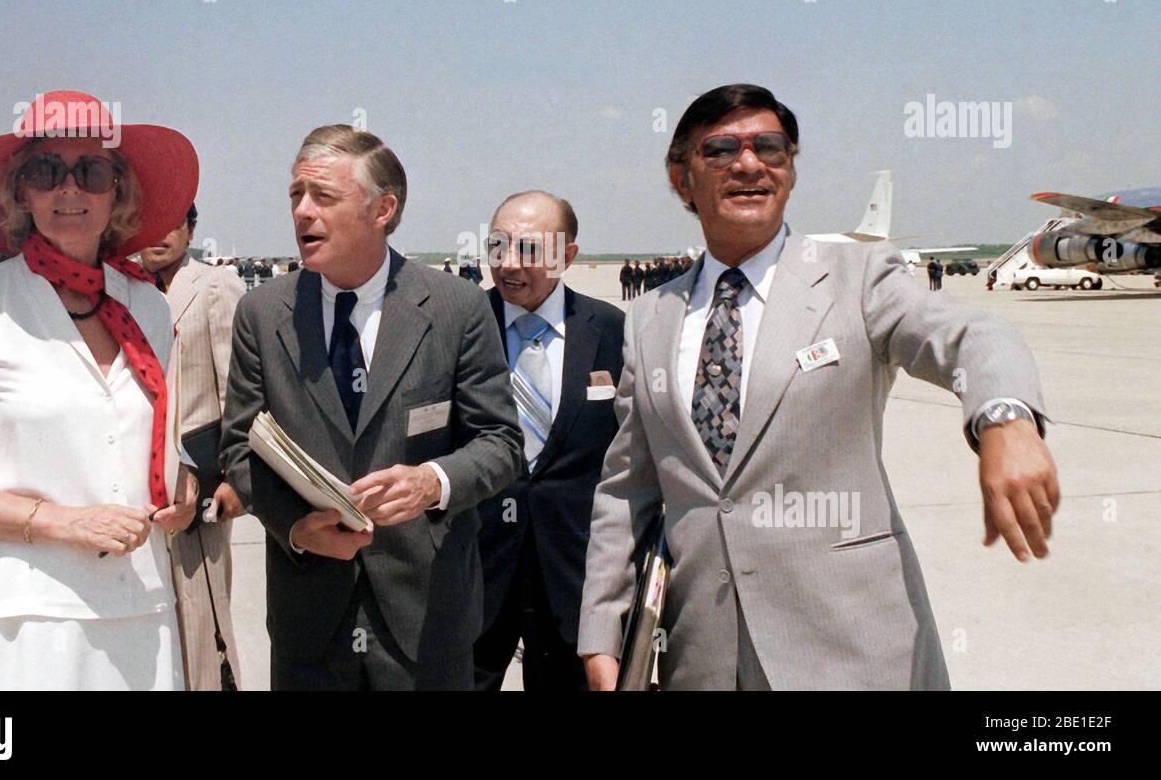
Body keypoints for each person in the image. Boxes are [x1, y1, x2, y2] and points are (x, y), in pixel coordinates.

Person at [579, 83, 1059, 691]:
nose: (749, 163)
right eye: (721, 149)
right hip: (699, 654)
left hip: (851, 647)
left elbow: (968, 333)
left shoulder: (858, 278)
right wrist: (601, 627)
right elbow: (627, 489)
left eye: (771, 148)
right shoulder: (650, 319)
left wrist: (1005, 418)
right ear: (681, 178)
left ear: (790, 170)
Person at [0, 90, 200, 689]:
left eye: (92, 171)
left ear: (118, 192)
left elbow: (155, 447)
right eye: (46, 171)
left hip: (139, 615)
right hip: (20, 628)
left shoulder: (148, 307)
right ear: (21, 192)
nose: (69, 189)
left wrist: (185, 486)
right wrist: (57, 523)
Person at [221, 124, 522, 690]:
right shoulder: (262, 314)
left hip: (427, 616)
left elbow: (501, 444)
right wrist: (296, 528)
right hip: (309, 616)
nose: (302, 213)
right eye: (295, 195)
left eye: (323, 197)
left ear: (382, 209)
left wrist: (432, 482)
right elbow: (240, 448)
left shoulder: (456, 307)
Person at [474, 191, 625, 691]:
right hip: (475, 569)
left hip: (573, 575)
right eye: (498, 246)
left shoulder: (611, 330)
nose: (509, 264)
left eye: (531, 250)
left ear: (568, 256)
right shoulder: (460, 326)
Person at [139, 203, 247, 690]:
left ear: (191, 228)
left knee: (203, 614)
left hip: (200, 479)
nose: (158, 234)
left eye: (172, 223)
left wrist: (230, 479)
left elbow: (236, 391)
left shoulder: (213, 286)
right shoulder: (118, 286)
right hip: (138, 484)